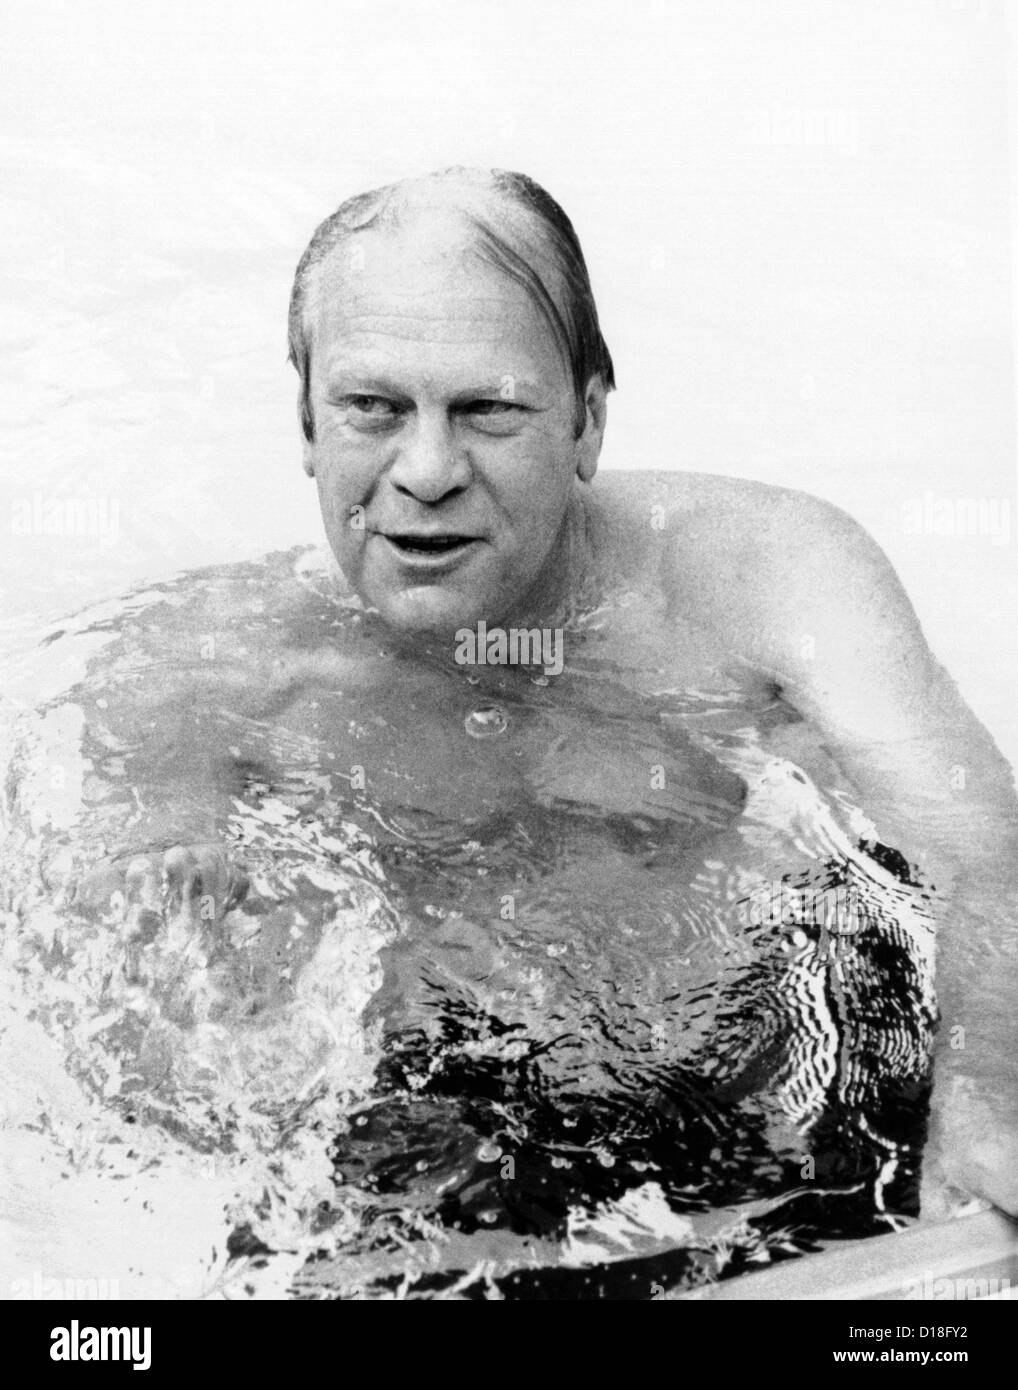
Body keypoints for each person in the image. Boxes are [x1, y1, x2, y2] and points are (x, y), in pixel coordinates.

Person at [13, 167, 1018, 1242]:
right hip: (423, 1144)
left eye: (488, 408)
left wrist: (989, 1088)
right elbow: (114, 1068)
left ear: (586, 422)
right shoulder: (189, 674)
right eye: (373, 408)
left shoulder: (768, 578)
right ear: (306, 422)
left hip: (787, 1069)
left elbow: (982, 850)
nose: (428, 469)